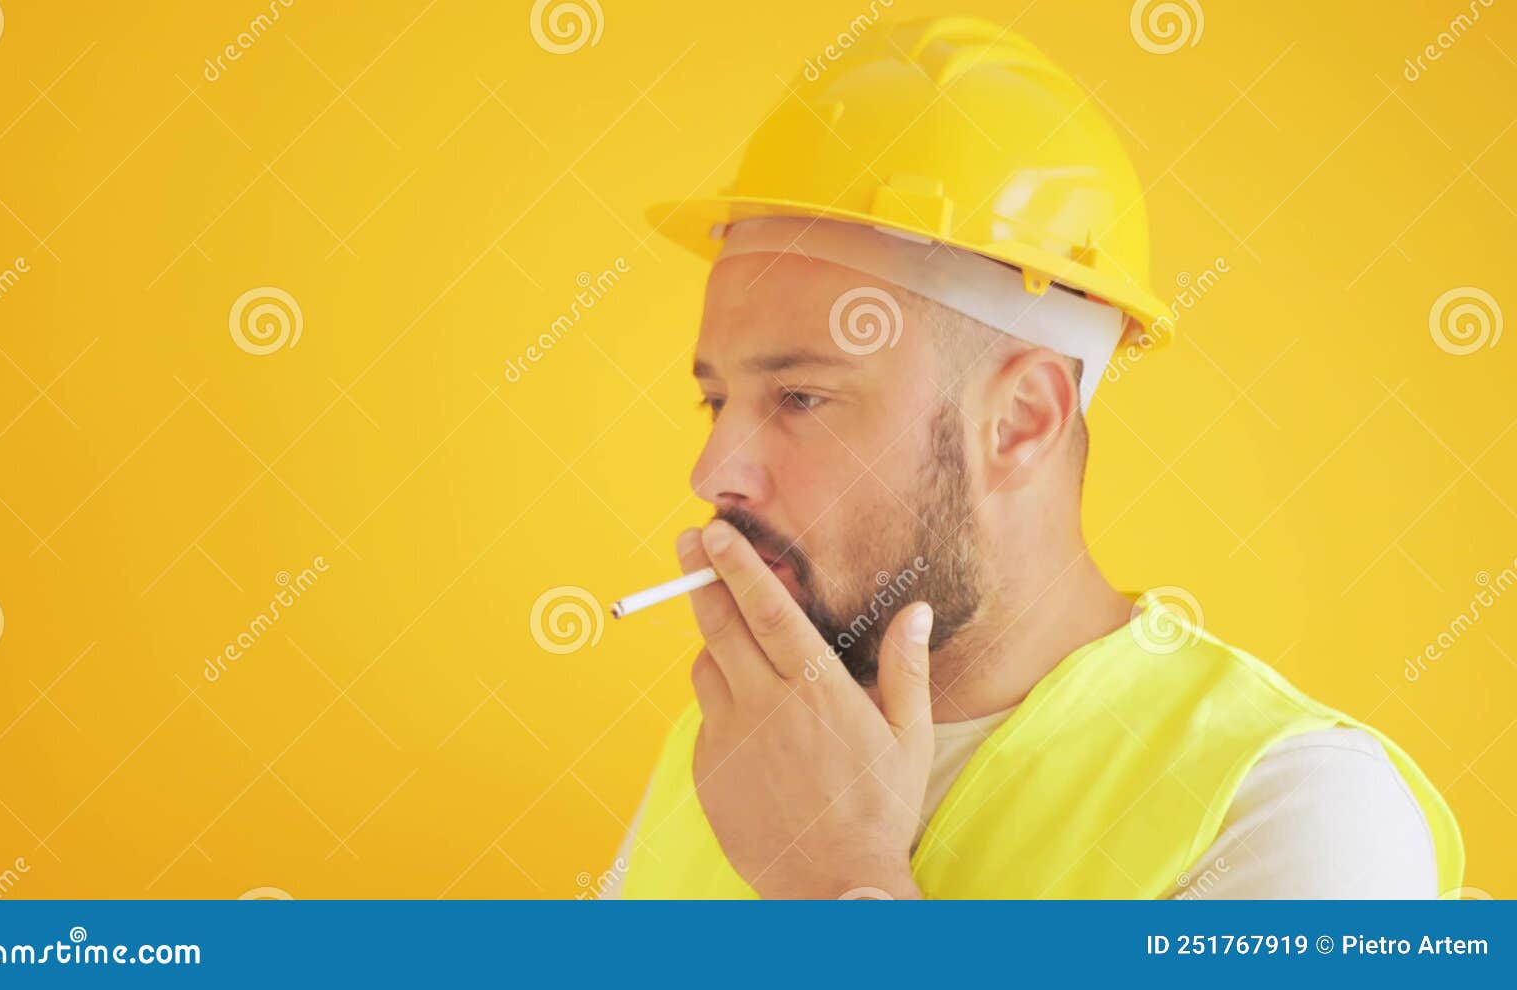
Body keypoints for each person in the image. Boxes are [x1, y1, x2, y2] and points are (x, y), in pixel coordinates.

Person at [605, 16, 1461, 899]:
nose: (713, 475)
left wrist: (838, 877)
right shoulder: (741, 747)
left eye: (799, 399)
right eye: (716, 401)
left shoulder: (1296, 809)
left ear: (1020, 420)